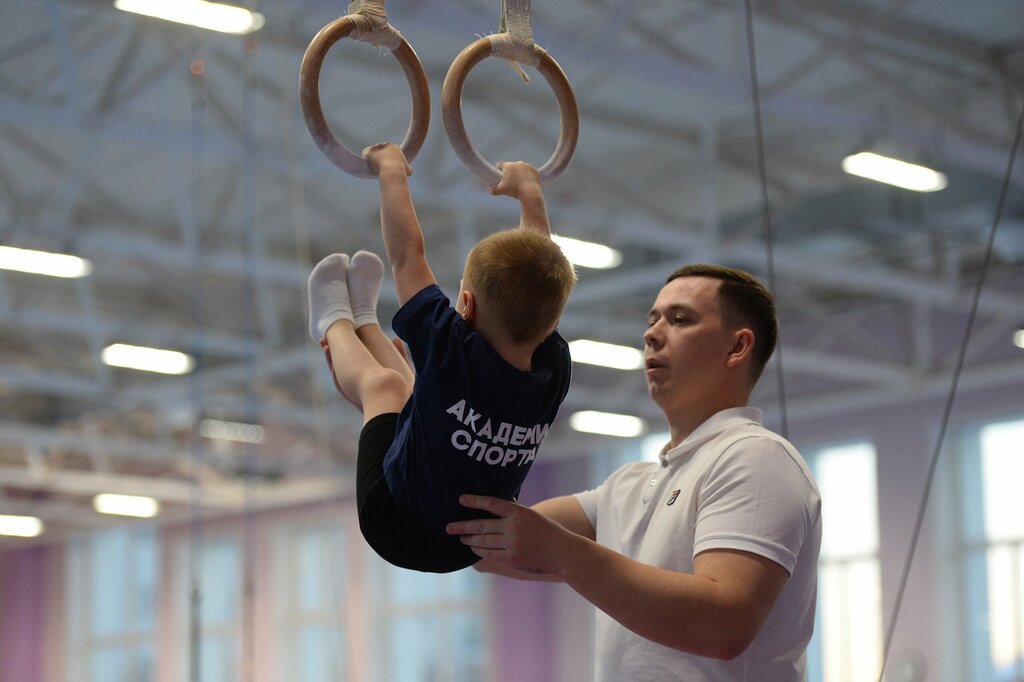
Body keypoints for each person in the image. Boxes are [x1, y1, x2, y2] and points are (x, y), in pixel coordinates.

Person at [446, 264, 822, 680]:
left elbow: (723, 626)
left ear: (737, 347)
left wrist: (566, 554)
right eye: (653, 319)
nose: (652, 334)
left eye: (680, 320)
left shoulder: (754, 457)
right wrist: (424, 403)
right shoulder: (627, 485)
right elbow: (478, 542)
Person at [307, 142, 577, 573]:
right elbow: (540, 279)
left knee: (386, 387)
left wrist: (391, 170)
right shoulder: (551, 369)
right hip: (469, 545)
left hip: (396, 523)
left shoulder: (451, 347)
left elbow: (406, 255)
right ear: (550, 326)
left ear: (465, 304)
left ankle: (332, 322)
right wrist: (530, 191)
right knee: (425, 396)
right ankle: (365, 319)